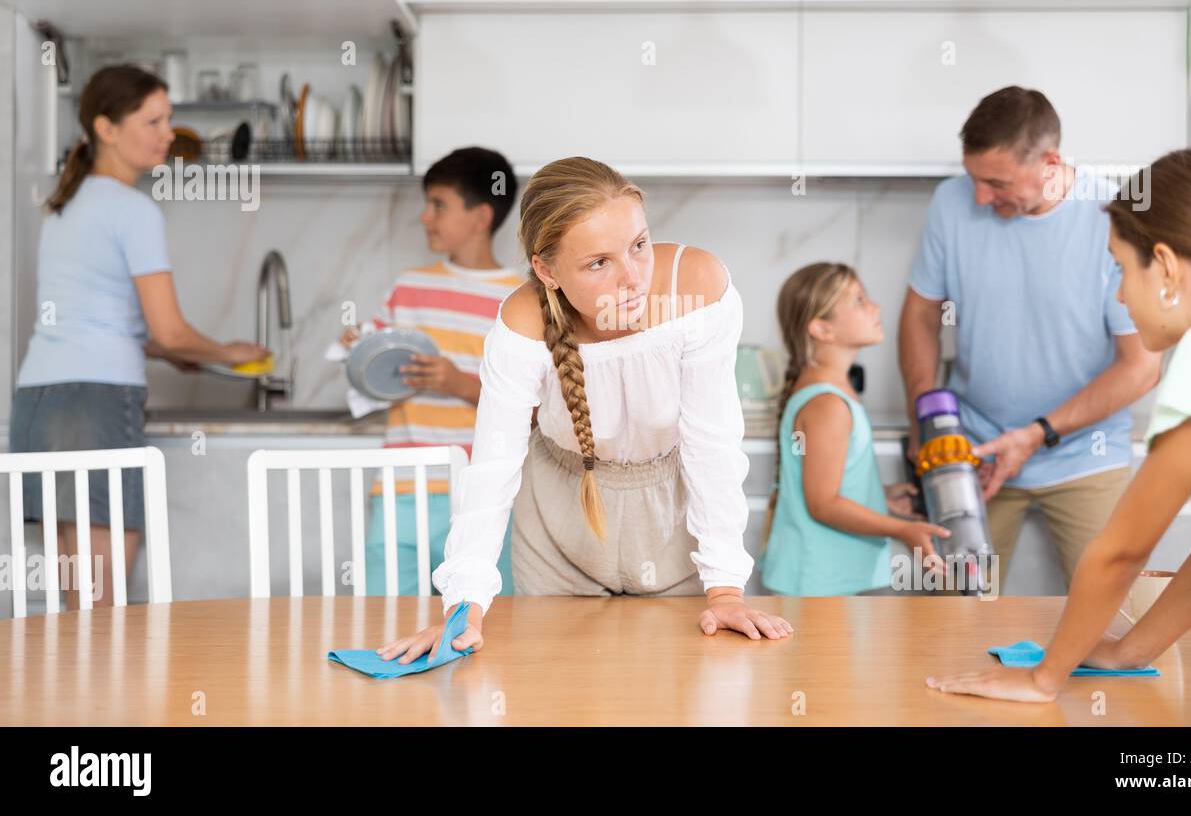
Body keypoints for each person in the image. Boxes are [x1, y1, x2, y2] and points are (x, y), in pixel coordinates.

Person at [379, 156, 792, 664]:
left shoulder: (699, 288)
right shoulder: (522, 324)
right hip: (556, 520)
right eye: (599, 263)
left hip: (670, 519)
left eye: (638, 246)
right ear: (546, 270)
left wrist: (726, 589)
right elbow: (492, 467)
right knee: (558, 690)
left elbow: (712, 444)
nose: (633, 278)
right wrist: (463, 606)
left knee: (681, 682)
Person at [927, 141, 1191, 701]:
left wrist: (1042, 676)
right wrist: (1129, 650)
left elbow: (1123, 549)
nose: (1121, 294)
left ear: (1168, 266)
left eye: (1122, 268)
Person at [9, 65, 266, 610]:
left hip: (37, 403)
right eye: (152, 121)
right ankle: (101, 698)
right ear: (106, 128)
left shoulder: (63, 208)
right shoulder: (133, 209)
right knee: (101, 608)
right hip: (95, 404)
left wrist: (175, 356)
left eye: (169, 120)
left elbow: (94, 320)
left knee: (73, 602)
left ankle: (68, 698)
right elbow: (169, 330)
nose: (167, 133)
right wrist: (227, 352)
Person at [899, 86, 1162, 589]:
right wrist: (922, 415)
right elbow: (920, 316)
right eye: (974, 178)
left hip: (1086, 453)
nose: (979, 196)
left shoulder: (1115, 216)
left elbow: (1141, 365)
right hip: (970, 453)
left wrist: (1037, 433)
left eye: (996, 182)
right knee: (952, 611)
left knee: (1119, 620)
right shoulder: (951, 203)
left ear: (1049, 163)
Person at [341, 147, 524, 596]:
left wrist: (455, 382)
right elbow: (374, 377)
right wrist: (362, 349)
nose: (425, 217)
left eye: (438, 205)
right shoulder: (410, 287)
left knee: (481, 620)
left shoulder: (521, 299)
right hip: (402, 485)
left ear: (480, 217)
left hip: (481, 496)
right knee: (385, 615)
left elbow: (535, 407)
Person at [760, 262, 948, 595]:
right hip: (819, 583)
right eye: (859, 300)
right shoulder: (828, 405)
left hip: (825, 579)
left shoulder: (831, 392)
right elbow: (824, 504)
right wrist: (903, 530)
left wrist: (879, 495)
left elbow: (827, 485)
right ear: (822, 329)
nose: (875, 307)